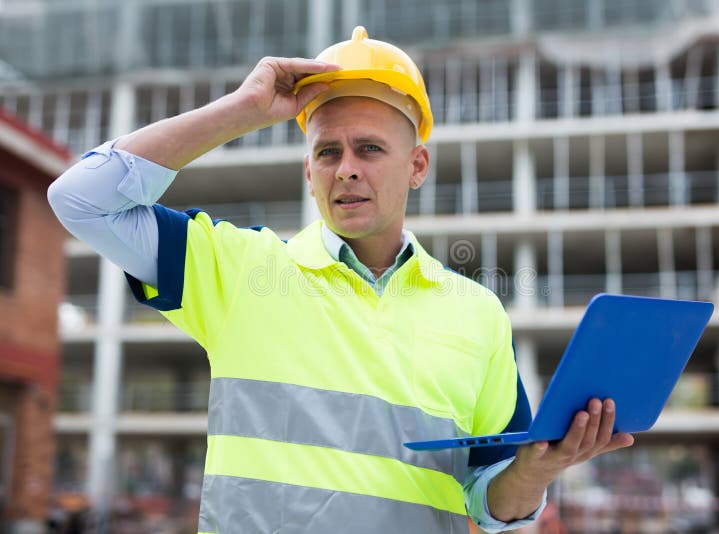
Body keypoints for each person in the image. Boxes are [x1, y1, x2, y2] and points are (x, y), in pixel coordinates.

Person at [48, 27, 633, 534]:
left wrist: (537, 469)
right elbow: (81, 200)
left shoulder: (477, 314)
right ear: (309, 172)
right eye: (328, 151)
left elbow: (489, 505)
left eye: (370, 148)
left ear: (418, 166)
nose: (347, 167)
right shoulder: (238, 270)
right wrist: (244, 109)